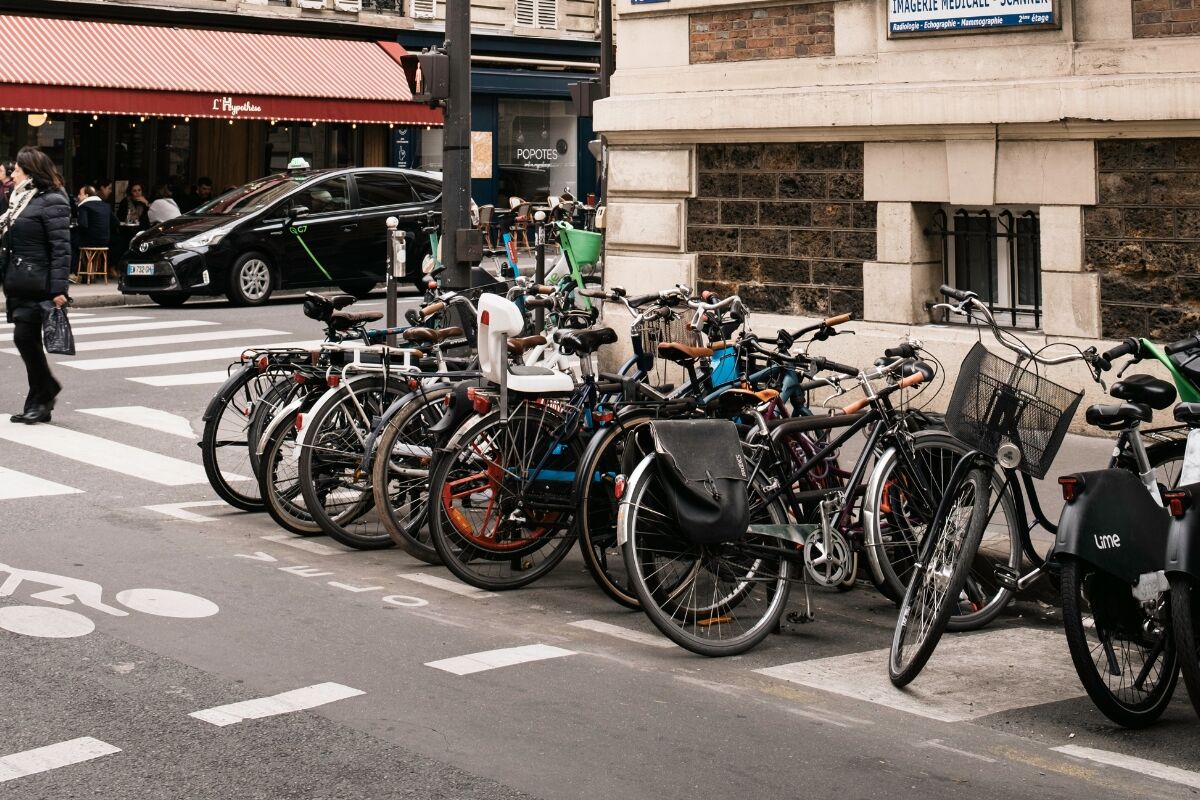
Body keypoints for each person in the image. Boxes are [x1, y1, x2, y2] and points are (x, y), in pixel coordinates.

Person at [0, 146, 70, 424]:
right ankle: (40, 398)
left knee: (24, 338)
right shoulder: (18, 200)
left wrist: (58, 289)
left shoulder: (53, 200)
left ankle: (43, 394)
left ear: (30, 171)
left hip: (39, 283)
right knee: (26, 340)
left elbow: (61, 248)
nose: (12, 173)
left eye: (16, 169)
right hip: (18, 281)